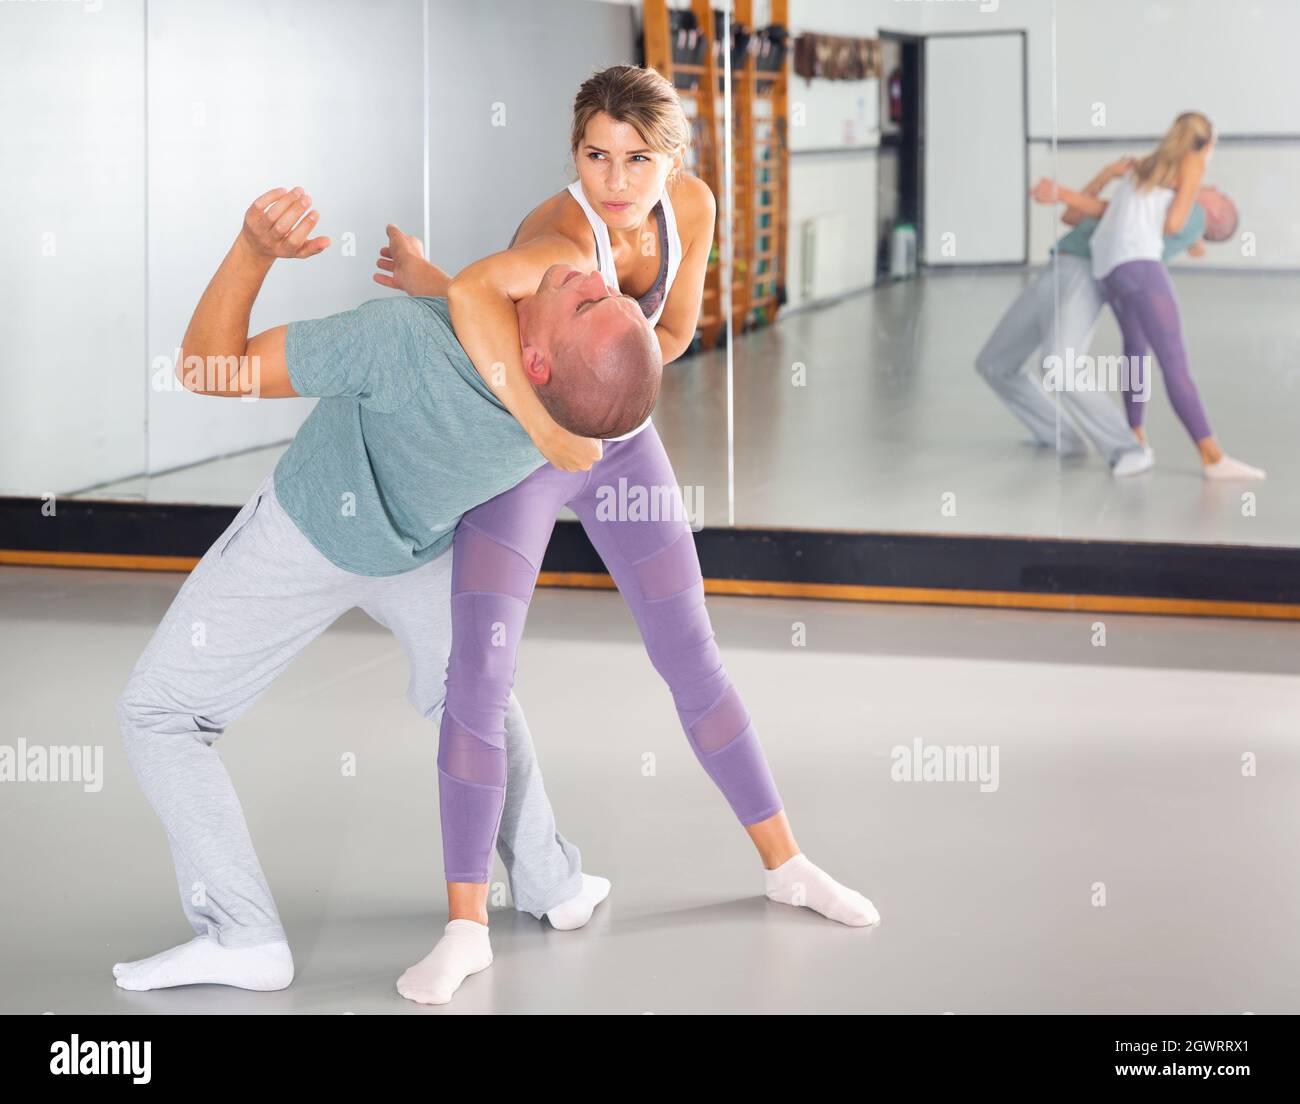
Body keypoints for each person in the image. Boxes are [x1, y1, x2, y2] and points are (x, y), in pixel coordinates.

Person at [375, 64, 879, 1007]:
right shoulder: (558, 234)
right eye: (595, 156)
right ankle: (465, 927)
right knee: (479, 680)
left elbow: (676, 334)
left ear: (671, 159)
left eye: (636, 158)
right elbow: (487, 299)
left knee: (692, 654)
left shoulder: (692, 205)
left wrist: (606, 400)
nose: (614, 179)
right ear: (575, 156)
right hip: (525, 443)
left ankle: (786, 863)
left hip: (622, 445)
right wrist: (539, 413)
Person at [112, 184, 658, 993]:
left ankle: (243, 935)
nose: (588, 276)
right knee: (475, 702)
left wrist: (253, 251)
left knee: (156, 714)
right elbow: (497, 333)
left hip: (304, 535)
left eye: (586, 303)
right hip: (418, 549)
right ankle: (550, 881)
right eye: (605, 289)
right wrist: (441, 279)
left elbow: (205, 368)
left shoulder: (402, 339)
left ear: (538, 364)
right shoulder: (570, 430)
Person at [1035, 112, 1264, 480]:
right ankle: (1212, 457)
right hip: (1140, 265)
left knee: (1135, 353)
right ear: (1203, 143)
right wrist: (1179, 215)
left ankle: (1136, 433)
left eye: (1220, 194)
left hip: (1109, 270)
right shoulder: (1191, 163)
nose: (1215, 186)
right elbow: (1173, 223)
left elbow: (1109, 214)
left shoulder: (1146, 167)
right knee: (1174, 362)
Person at [977, 156, 1233, 477]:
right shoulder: (1151, 204)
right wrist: (1107, 173)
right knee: (994, 363)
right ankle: (1061, 436)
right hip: (1059, 266)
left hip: (1083, 272)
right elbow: (1072, 216)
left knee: (1060, 365)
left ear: (1216, 214)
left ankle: (1127, 449)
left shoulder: (1191, 216)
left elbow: (1103, 211)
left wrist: (1062, 191)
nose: (1216, 187)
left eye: (1221, 194)